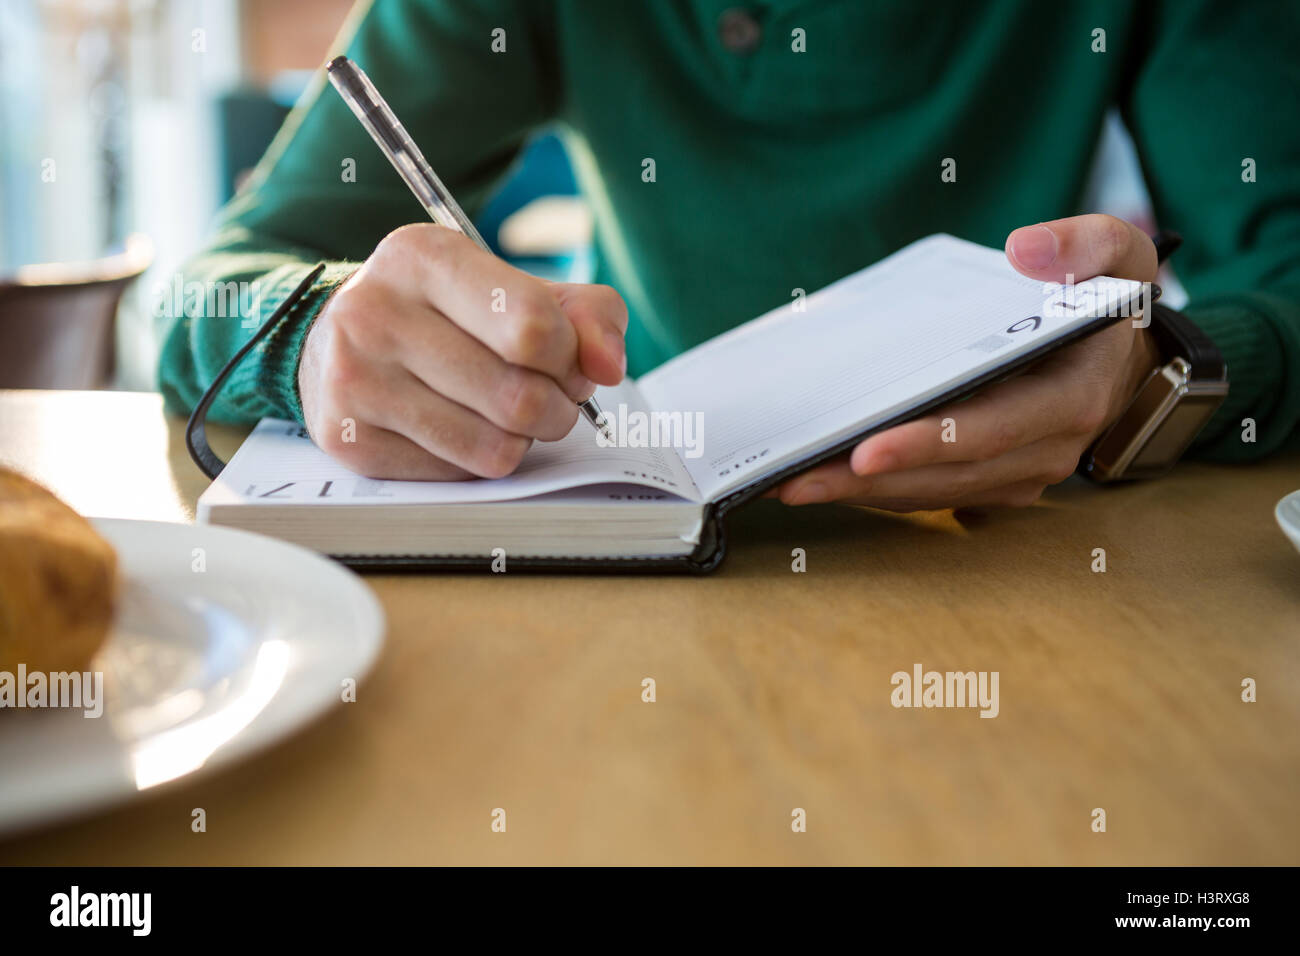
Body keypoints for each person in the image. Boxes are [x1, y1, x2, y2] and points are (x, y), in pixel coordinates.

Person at [158, 0, 1300, 512]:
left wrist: (1151, 376)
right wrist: (313, 335)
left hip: (1022, 545)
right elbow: (195, 288)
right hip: (631, 542)